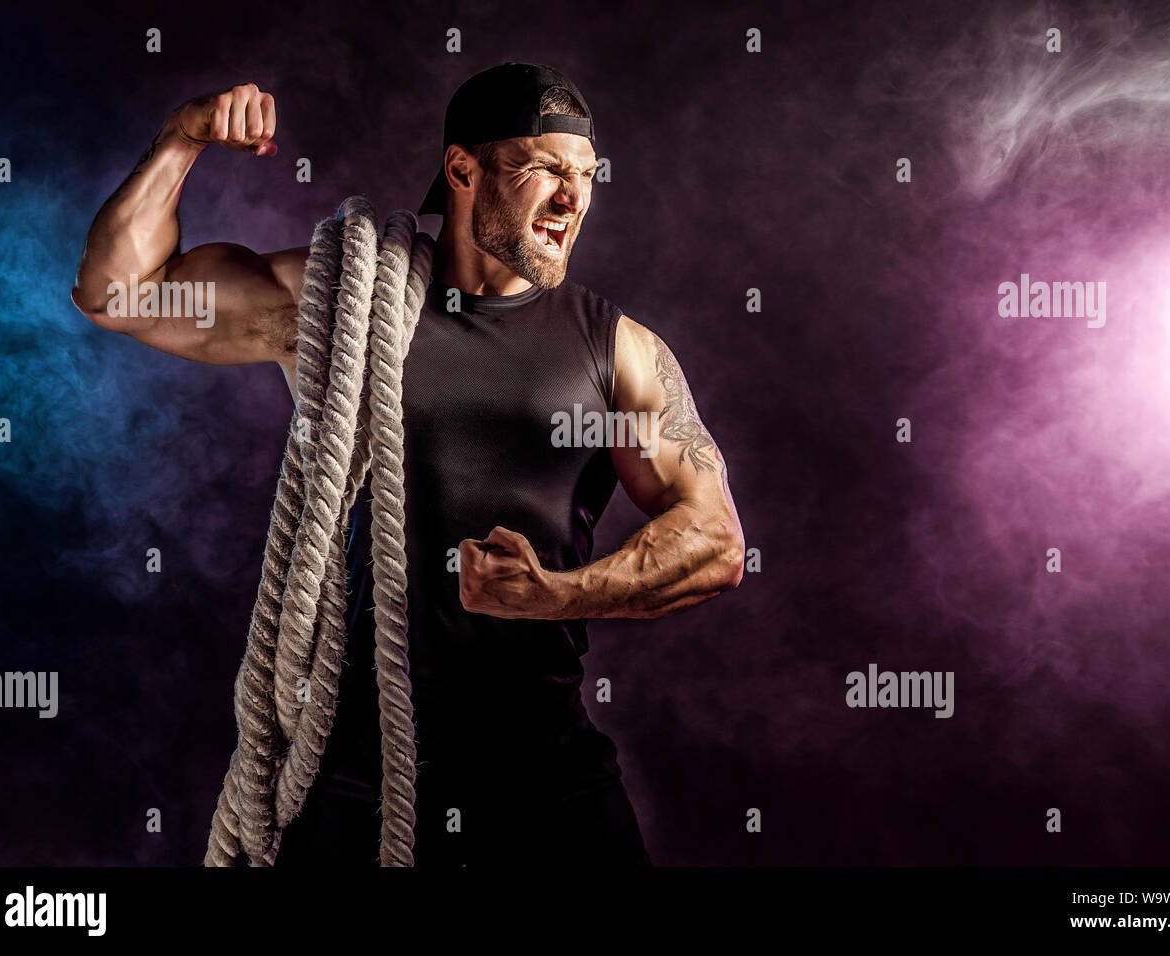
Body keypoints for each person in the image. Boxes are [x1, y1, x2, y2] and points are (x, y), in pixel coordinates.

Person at [71, 62, 745, 867]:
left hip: (547, 785)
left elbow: (715, 540)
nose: (574, 201)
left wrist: (556, 595)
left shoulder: (617, 349)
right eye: (545, 173)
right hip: (355, 782)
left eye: (586, 176)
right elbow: (121, 294)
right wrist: (183, 137)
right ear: (462, 169)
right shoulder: (335, 304)